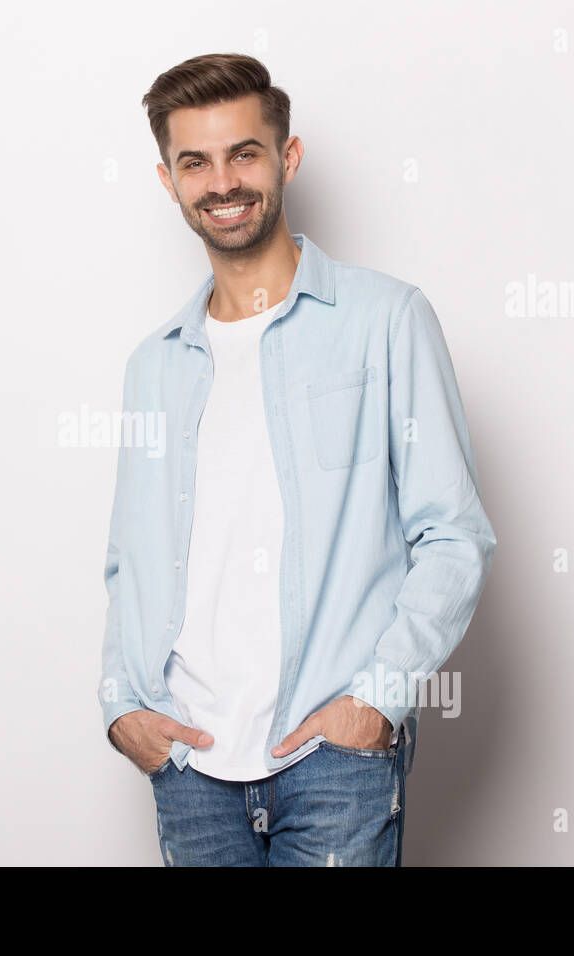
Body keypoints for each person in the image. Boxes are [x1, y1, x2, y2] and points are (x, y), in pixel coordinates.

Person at [98, 53, 497, 866]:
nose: (222, 182)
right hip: (189, 764)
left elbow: (454, 537)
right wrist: (121, 710)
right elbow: (128, 561)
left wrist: (377, 702)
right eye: (195, 162)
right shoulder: (155, 364)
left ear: (287, 158)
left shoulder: (386, 320)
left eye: (244, 153)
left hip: (332, 757)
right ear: (168, 182)